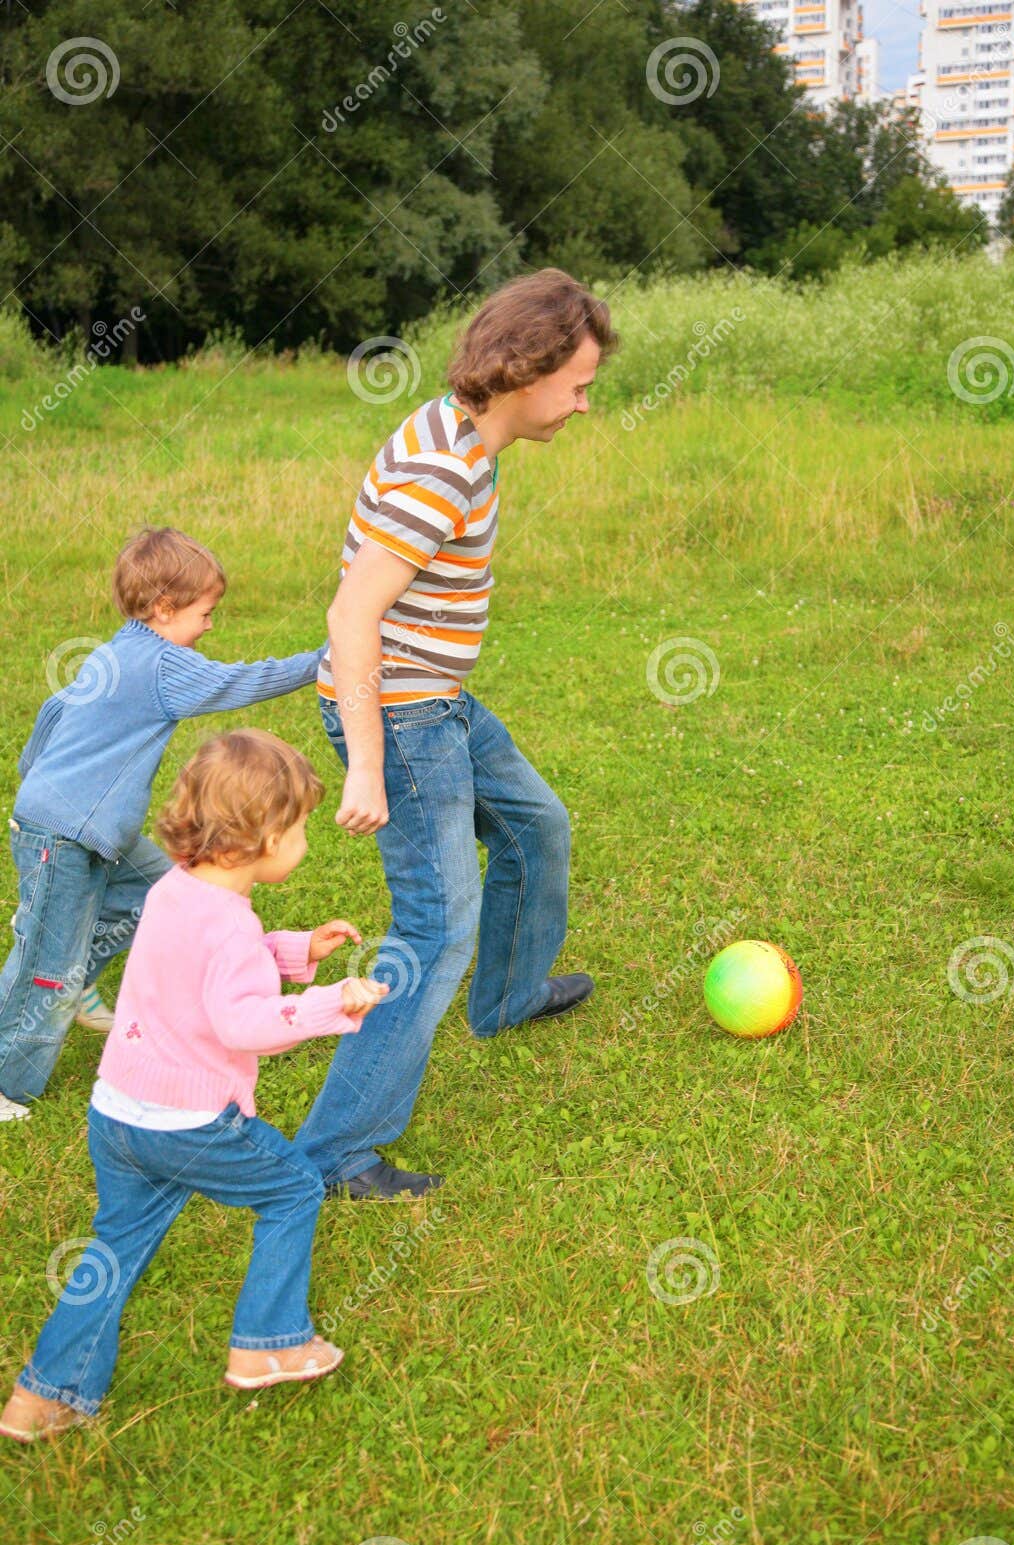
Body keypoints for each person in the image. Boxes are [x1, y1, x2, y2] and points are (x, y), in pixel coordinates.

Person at [297, 269, 617, 1201]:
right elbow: (352, 614)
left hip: (435, 701)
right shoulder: (445, 468)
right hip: (399, 717)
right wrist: (365, 762)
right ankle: (335, 1155)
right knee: (437, 927)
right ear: (527, 371)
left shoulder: (461, 431)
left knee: (535, 824)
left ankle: (509, 996)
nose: (585, 405)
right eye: (580, 385)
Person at [0, 729, 386, 1443]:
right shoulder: (229, 927)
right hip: (189, 1123)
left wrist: (295, 950)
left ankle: (44, 1395)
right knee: (294, 1189)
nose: (303, 840)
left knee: (117, 1245)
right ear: (264, 837)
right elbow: (242, 1022)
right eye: (299, 828)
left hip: (117, 1113)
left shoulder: (175, 892)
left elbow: (200, 972)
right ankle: (269, 1345)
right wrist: (333, 1001)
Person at [0, 526, 325, 1123]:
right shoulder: (162, 666)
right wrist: (324, 662)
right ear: (163, 608)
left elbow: (51, 714)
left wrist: (36, 782)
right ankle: (6, 1082)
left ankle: (80, 983)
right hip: (64, 839)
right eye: (205, 613)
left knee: (162, 897)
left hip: (93, 832)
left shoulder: (116, 651)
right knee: (48, 967)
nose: (209, 626)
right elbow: (242, 681)